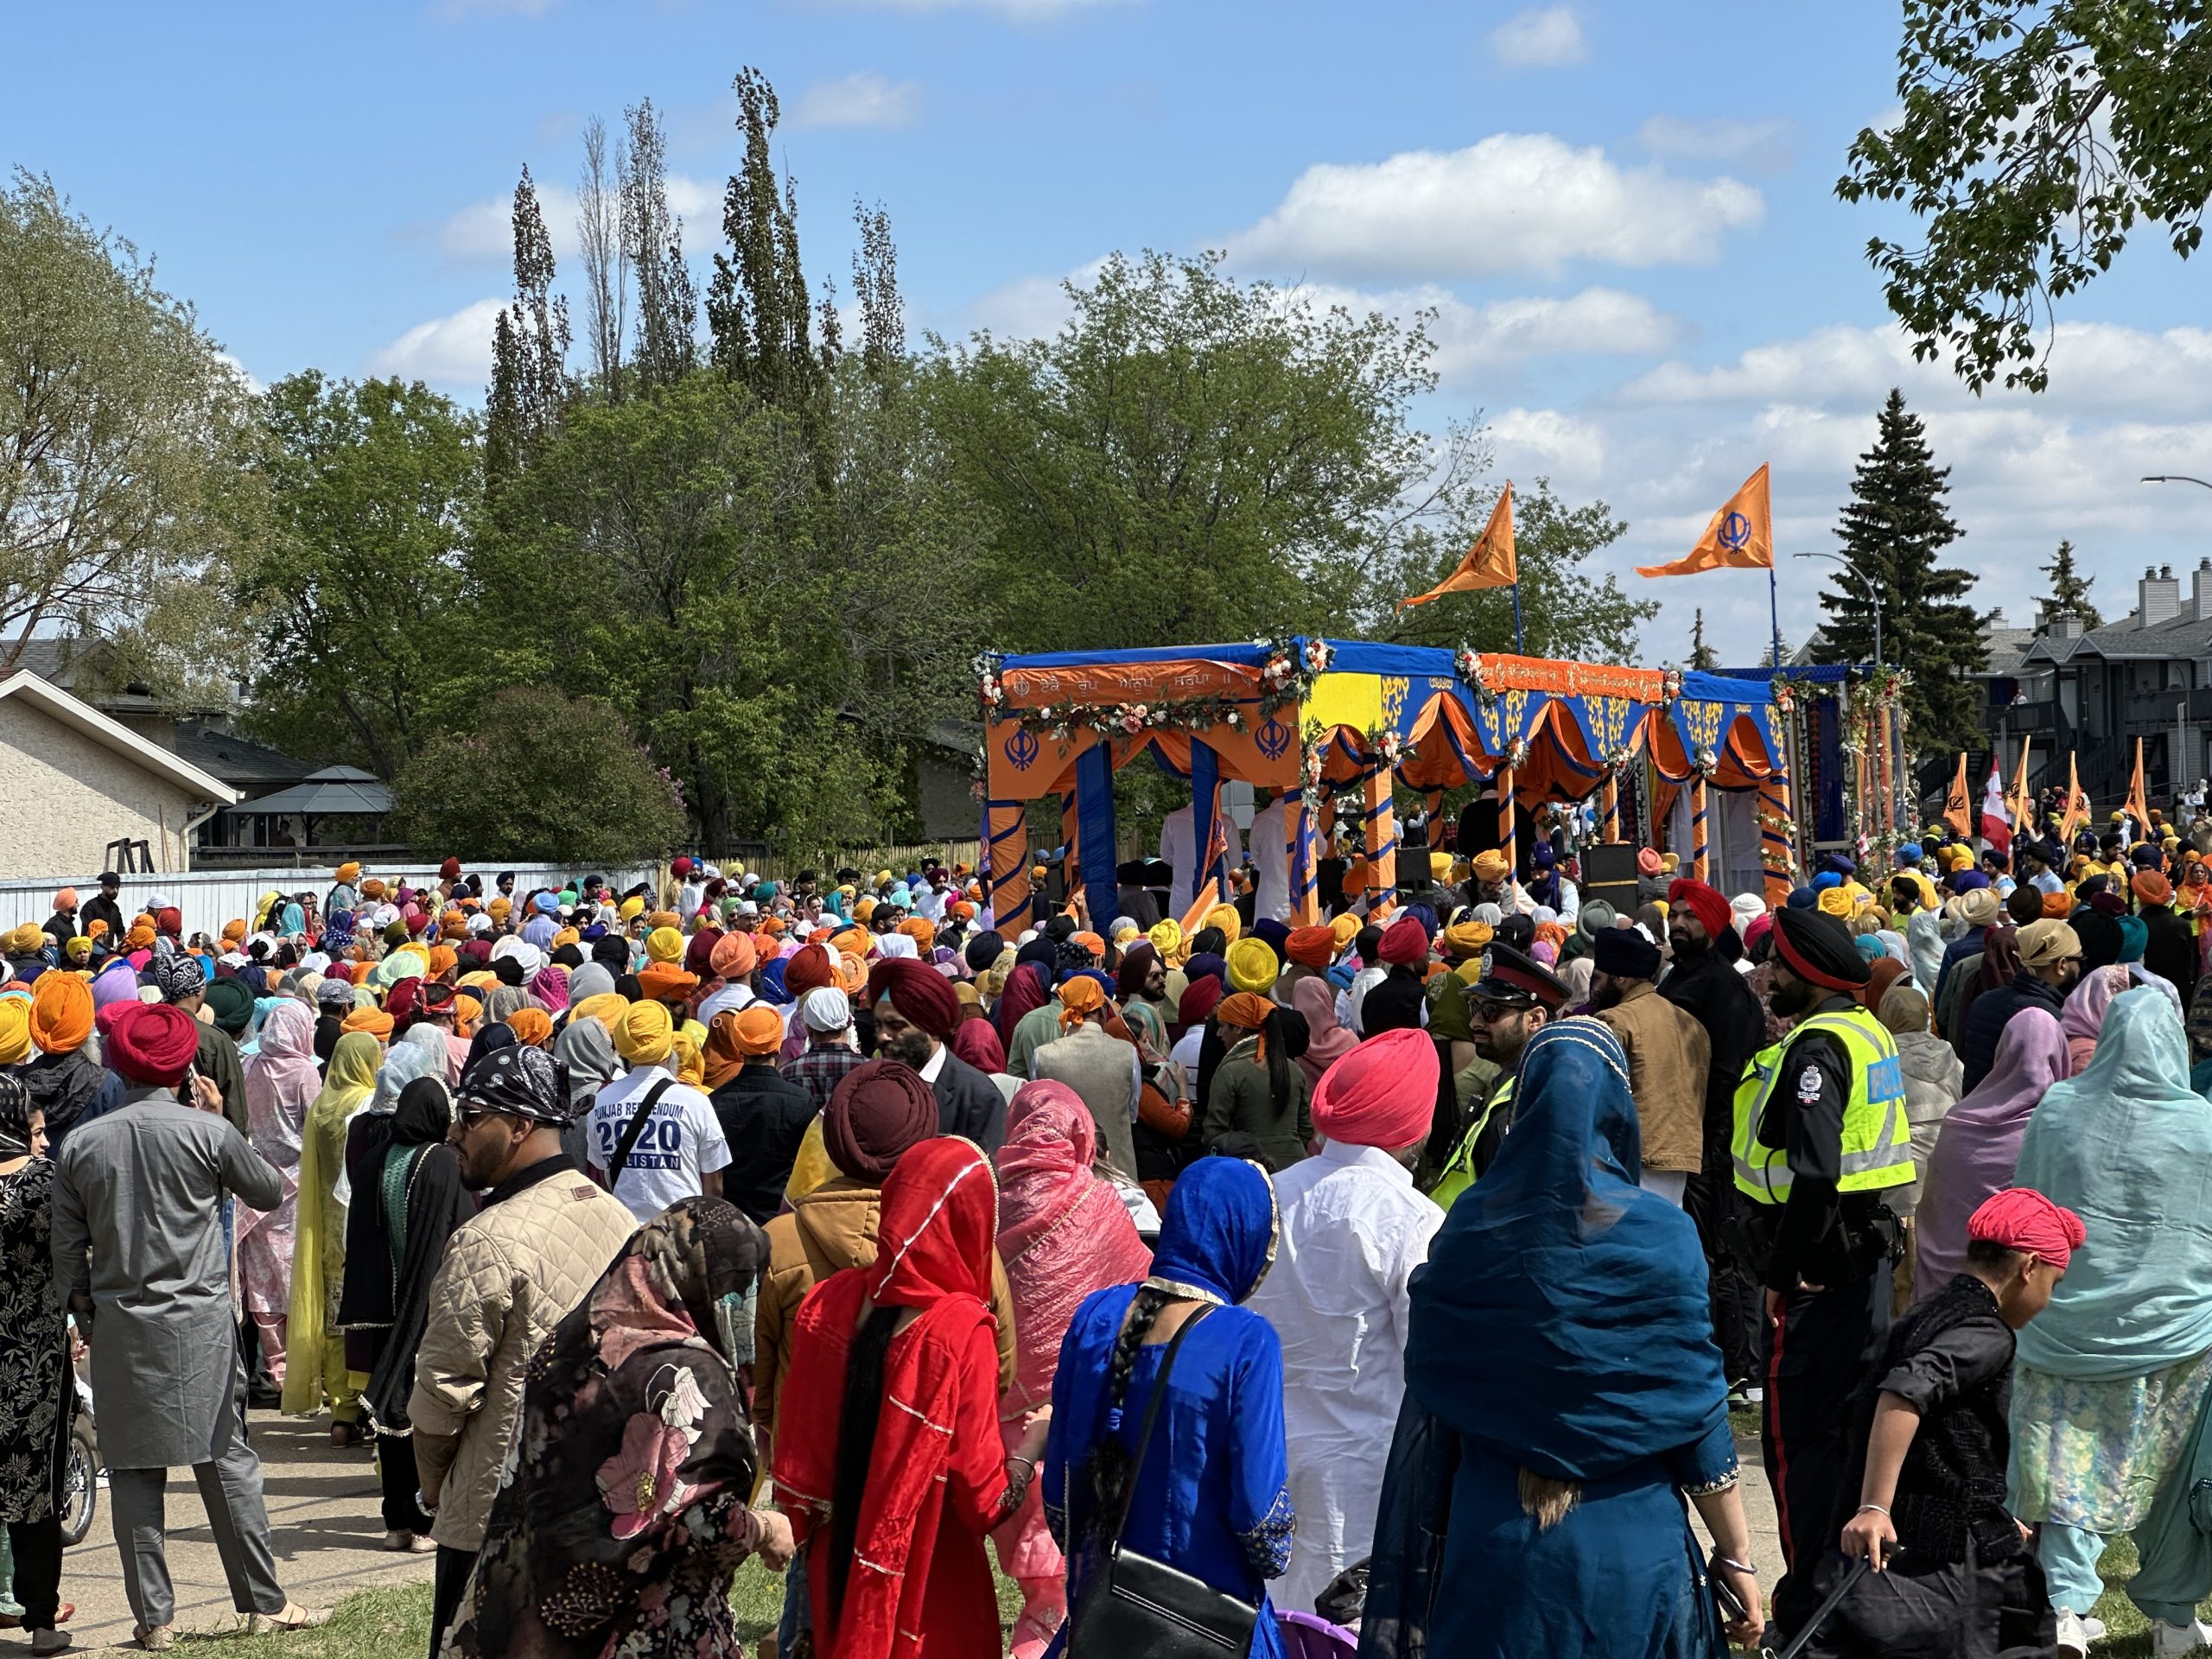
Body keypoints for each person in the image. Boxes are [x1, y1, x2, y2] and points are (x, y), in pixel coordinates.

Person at [1361, 1019, 1764, 1657]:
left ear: (1522, 1108)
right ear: (1617, 1111)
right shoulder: (1663, 1237)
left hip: (1493, 1550)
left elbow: (1437, 1402)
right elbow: (1694, 1407)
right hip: (1631, 1555)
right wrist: (1736, 1556)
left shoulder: (1469, 1231)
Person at [53, 1002, 327, 1651]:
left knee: (134, 1471)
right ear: (183, 1068)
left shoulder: (83, 1145)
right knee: (225, 1458)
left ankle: (156, 1621)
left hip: (122, 1323)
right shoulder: (209, 1133)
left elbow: (68, 1252)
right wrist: (221, 1120)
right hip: (200, 1322)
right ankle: (264, 1603)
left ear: (120, 1065)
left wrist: (87, 1311)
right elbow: (267, 1191)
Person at [441, 1198, 795, 1659]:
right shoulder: (691, 1372)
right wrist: (765, 1528)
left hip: (534, 1612)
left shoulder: (572, 1341)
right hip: (643, 1630)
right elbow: (702, 1525)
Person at [752, 1061, 1020, 1658]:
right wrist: (1029, 1453)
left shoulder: (816, 1287)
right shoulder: (962, 1321)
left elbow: (776, 1402)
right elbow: (984, 1492)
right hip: (934, 1580)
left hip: (835, 1559)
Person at [410, 1046, 639, 1658]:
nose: (453, 1132)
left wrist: (434, 1486)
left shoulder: (486, 1240)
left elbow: (443, 1392)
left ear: (519, 1125)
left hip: (496, 1510)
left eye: (471, 1116)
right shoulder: (618, 1217)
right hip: (594, 1499)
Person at [2007, 988, 2212, 1656]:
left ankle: (2066, 1610)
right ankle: (2174, 1620)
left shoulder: (2058, 1110)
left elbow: (2027, 1206)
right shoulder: (2200, 1125)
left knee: (2066, 1468)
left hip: (2065, 1329)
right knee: (2170, 1474)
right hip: (2174, 1331)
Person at [1794, 1188, 2077, 1659]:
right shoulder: (1985, 1333)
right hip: (1942, 1563)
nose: (2048, 1300)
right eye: (2055, 1282)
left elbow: (1922, 1426)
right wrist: (1875, 1506)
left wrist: (1985, 1506)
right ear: (2029, 1267)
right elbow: (1903, 1392)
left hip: (1927, 1540)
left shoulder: (1927, 1311)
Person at [1732, 906, 1914, 1634]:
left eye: (1778, 964)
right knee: (1845, 1438)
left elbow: (1814, 1171)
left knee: (1800, 1449)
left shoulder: (1817, 1048)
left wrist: (1781, 1271)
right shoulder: (1866, 1028)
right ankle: (1847, 1602)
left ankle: (1805, 1609)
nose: (1768, 975)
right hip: (1859, 1264)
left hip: (1816, 1273)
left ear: (1806, 973)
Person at [1044, 1156, 1296, 1659]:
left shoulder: (1095, 1316)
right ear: (1245, 1239)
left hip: (1106, 1619)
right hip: (1204, 1623)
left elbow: (1060, 1499)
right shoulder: (1245, 1342)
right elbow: (1261, 1525)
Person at [1245, 1027, 1443, 1617]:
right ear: (1416, 1125)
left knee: (1272, 1625)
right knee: (1341, 1630)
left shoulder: (1268, 1197)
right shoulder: (1411, 1219)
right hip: (1364, 1472)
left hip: (1264, 1458)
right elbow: (1427, 1362)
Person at [991, 1082, 1154, 1659]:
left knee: (1045, 1593)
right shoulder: (1100, 1204)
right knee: (1073, 1596)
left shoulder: (989, 1205)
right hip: (1085, 1424)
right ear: (1082, 1135)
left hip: (1008, 1434)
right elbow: (1141, 1295)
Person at [345, 1076, 472, 1554]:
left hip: (383, 1312)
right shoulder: (442, 1162)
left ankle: (396, 1522)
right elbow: (462, 1233)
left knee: (392, 1419)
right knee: (425, 1413)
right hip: (429, 1311)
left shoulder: (375, 1158)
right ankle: (422, 1522)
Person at [1911, 1009, 2068, 1298]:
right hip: (2006, 1300)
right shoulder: (2054, 1133)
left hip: (1937, 1293)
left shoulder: (1958, 1121)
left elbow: (1935, 1212)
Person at [0, 1076, 71, 1653]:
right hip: (35, 1362)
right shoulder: (46, 1183)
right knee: (35, 1485)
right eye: (37, 1129)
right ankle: (41, 1621)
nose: (43, 1141)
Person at [282, 1028, 381, 1440]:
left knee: (335, 1319)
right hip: (359, 1223)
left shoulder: (321, 1105)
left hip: (324, 1225)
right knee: (364, 1315)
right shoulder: (366, 1102)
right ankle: (364, 1403)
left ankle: (342, 1413)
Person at [1431, 942, 1572, 1206]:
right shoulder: (1516, 1083)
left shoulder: (1528, 1102)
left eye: (1491, 1011)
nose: (1474, 1022)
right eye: (1475, 1009)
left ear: (1535, 1019)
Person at [1589, 925, 1710, 1207]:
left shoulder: (1616, 1020)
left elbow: (1600, 1095)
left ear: (1620, 978)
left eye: (1599, 978)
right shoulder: (1691, 1024)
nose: (1595, 988)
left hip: (1633, 1157)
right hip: (1681, 1156)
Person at [235, 998, 318, 1389]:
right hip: (297, 1187)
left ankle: (275, 1367)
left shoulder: (248, 1065)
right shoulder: (305, 1072)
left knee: (262, 1279)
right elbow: (316, 1126)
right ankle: (299, 1368)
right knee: (293, 1275)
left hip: (256, 1186)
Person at [589, 1001, 730, 1224]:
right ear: (667, 1041)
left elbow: (602, 1180)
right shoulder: (696, 1103)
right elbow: (714, 1187)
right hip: (682, 1232)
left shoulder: (600, 1102)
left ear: (624, 1044)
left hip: (626, 1234)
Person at [1874, 983, 1964, 1306]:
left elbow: (1880, 1119)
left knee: (1901, 1276)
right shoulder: (1950, 1057)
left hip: (1900, 1177)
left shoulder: (1882, 1060)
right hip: (1945, 1173)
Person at [870, 957, 1006, 1152]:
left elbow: (987, 1168)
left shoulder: (979, 1098)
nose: (883, 1036)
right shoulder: (871, 1086)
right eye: (879, 1025)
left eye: (895, 1025)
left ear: (930, 1025)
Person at [702, 1005, 817, 1224]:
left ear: (740, 1051)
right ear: (778, 1048)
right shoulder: (800, 1101)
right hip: (782, 1219)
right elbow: (810, 1166)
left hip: (731, 1221)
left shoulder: (715, 1102)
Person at [1029, 976, 1141, 1179]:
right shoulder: (1127, 1053)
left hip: (1065, 1174)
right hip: (1117, 1172)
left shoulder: (1043, 1056)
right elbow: (1132, 1112)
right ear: (1101, 1011)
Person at [1956, 918, 2082, 1093]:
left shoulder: (1984, 1002)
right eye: (2079, 960)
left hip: (1976, 1105)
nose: (2079, 968)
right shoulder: (2052, 1018)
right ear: (2061, 965)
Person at [1201, 990, 1312, 1171]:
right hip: (1296, 1167)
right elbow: (1306, 1129)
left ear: (1238, 1028)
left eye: (1222, 1026)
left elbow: (1215, 1133)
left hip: (1248, 1170)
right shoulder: (1294, 1069)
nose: (1219, 1034)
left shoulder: (1230, 1072)